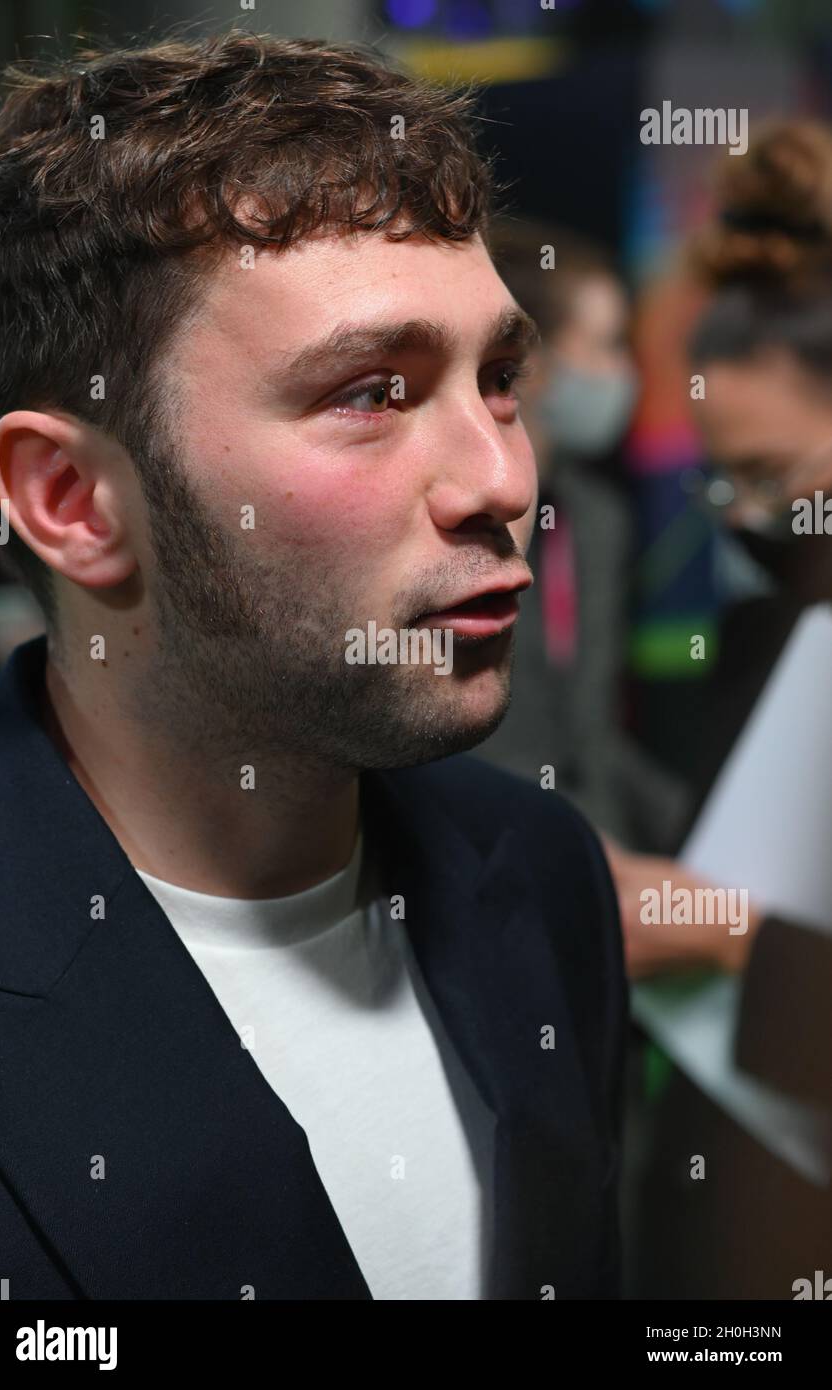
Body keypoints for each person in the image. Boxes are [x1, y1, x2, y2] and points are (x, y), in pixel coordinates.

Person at [0, 31, 627, 1301]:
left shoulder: (538, 874)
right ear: (73, 500)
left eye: (498, 379)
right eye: (373, 392)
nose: (502, 480)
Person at [609, 119, 832, 1298]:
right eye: (720, 479)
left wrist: (721, 935)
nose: (744, 518)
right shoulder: (768, 620)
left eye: (779, 478)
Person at [475, 219, 684, 850]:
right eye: (604, 345)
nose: (623, 373)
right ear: (527, 359)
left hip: (589, 845)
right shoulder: (469, 509)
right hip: (491, 837)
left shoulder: (597, 516)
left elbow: (592, 736)